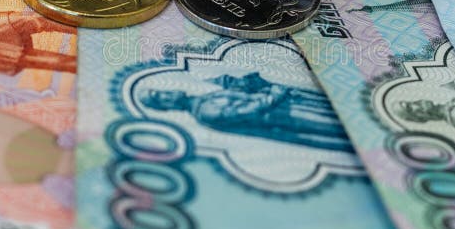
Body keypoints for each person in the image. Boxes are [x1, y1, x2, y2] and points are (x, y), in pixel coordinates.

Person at [140, 73, 354, 152]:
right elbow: (252, 110)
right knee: (345, 126)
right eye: (162, 99)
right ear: (169, 107)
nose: (167, 94)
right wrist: (276, 93)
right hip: (291, 116)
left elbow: (239, 94)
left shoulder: (205, 97)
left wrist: (236, 83)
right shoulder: (206, 112)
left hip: (292, 107)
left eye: (162, 92)